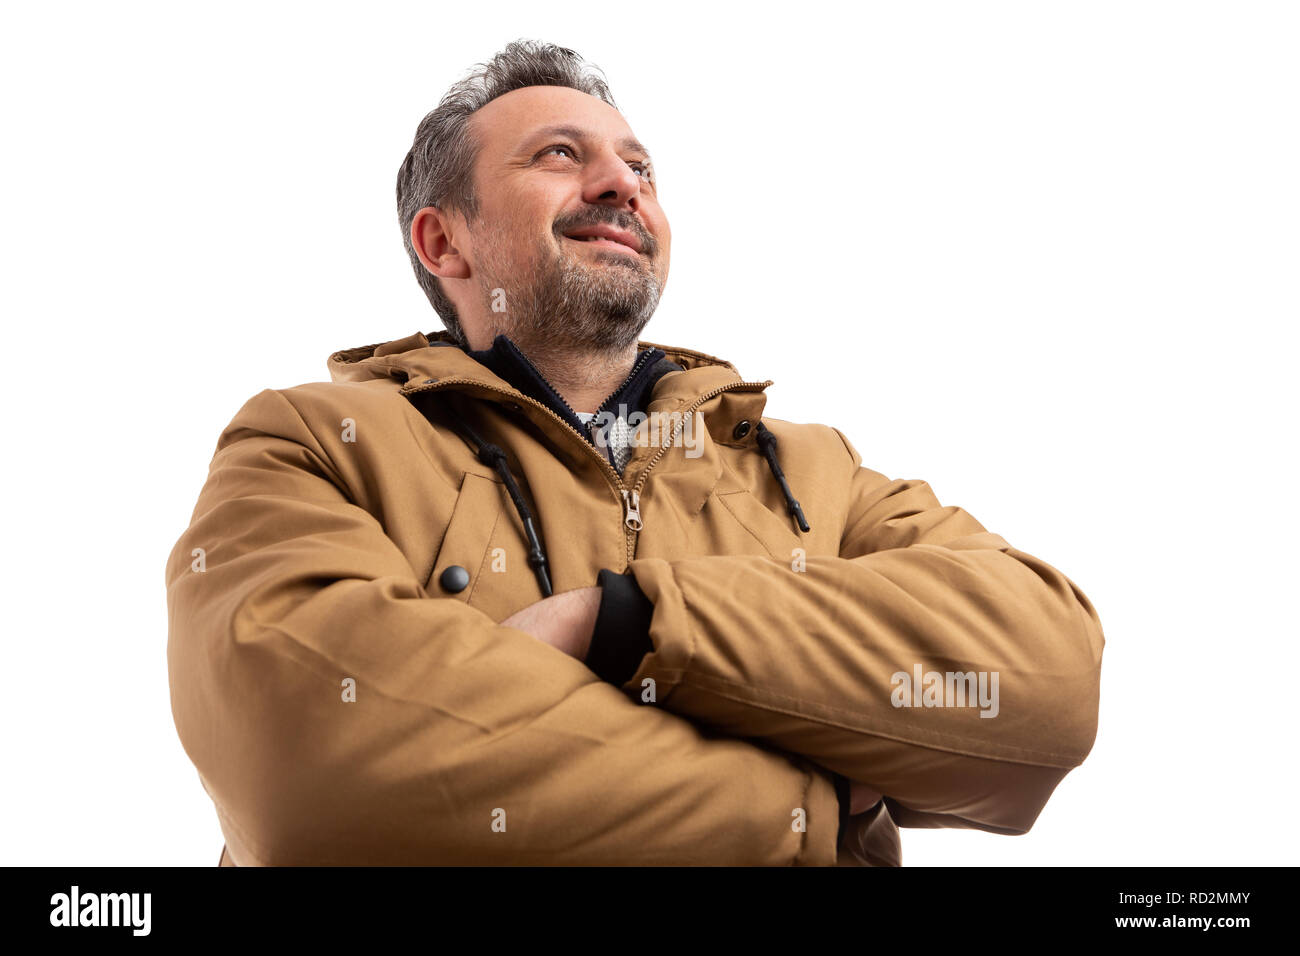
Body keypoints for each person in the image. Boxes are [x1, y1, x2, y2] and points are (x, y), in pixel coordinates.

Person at [166, 39, 1105, 866]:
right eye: (560, 155)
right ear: (443, 240)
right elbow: (321, 777)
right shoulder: (312, 446)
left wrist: (612, 623)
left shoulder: (813, 471)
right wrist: (808, 804)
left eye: (641, 168)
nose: (622, 186)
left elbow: (1045, 684)